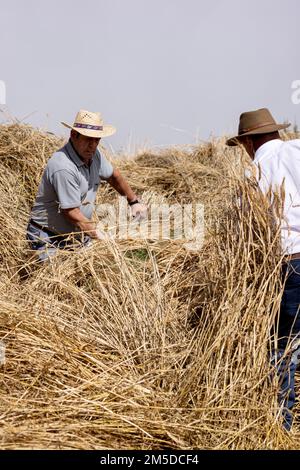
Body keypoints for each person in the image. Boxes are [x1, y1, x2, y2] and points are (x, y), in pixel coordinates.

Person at [227, 108, 300, 431]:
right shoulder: (297, 149)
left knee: (283, 346)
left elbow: (247, 234)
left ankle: (282, 425)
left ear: (248, 142)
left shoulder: (253, 174)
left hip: (289, 265)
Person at [27, 109, 147, 261]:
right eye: (88, 139)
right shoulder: (63, 166)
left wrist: (134, 201)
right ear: (73, 135)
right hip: (48, 237)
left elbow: (113, 176)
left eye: (97, 140)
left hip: (75, 235)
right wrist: (98, 235)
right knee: (57, 281)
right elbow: (71, 212)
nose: (93, 145)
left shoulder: (94, 155)